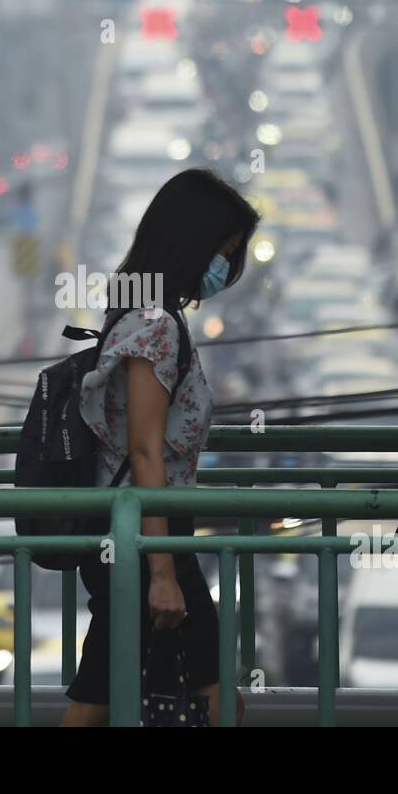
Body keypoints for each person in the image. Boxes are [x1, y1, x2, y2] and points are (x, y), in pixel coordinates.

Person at [61, 168, 259, 726]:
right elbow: (145, 450)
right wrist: (165, 573)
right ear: (192, 243)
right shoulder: (156, 325)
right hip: (144, 539)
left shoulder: (138, 310)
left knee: (109, 689)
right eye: (225, 250)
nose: (227, 266)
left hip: (135, 534)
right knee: (209, 700)